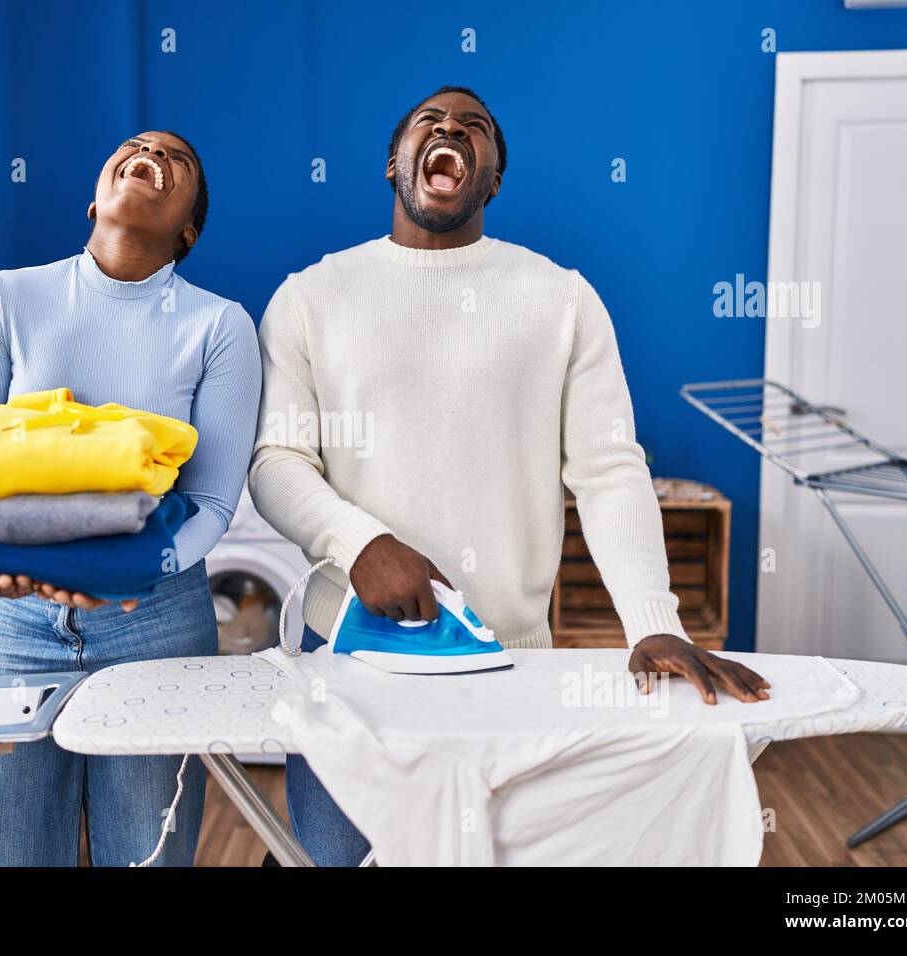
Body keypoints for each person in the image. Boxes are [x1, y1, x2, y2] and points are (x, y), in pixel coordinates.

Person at [248, 86, 770, 866]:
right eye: (429, 121)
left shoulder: (559, 298)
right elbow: (277, 462)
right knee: (336, 856)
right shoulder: (310, 298)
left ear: (493, 179)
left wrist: (652, 618)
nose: (450, 127)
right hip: (349, 654)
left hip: (515, 656)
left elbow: (608, 469)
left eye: (474, 127)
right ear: (394, 164)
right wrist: (360, 543)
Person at [0, 131, 261, 866]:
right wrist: (2, 559)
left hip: (157, 625)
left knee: (145, 855)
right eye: (136, 145)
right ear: (94, 199)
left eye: (178, 160)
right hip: (17, 622)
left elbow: (212, 502)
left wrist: (125, 567)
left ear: (188, 230)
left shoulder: (219, 327)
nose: (153, 151)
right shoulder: (5, 300)